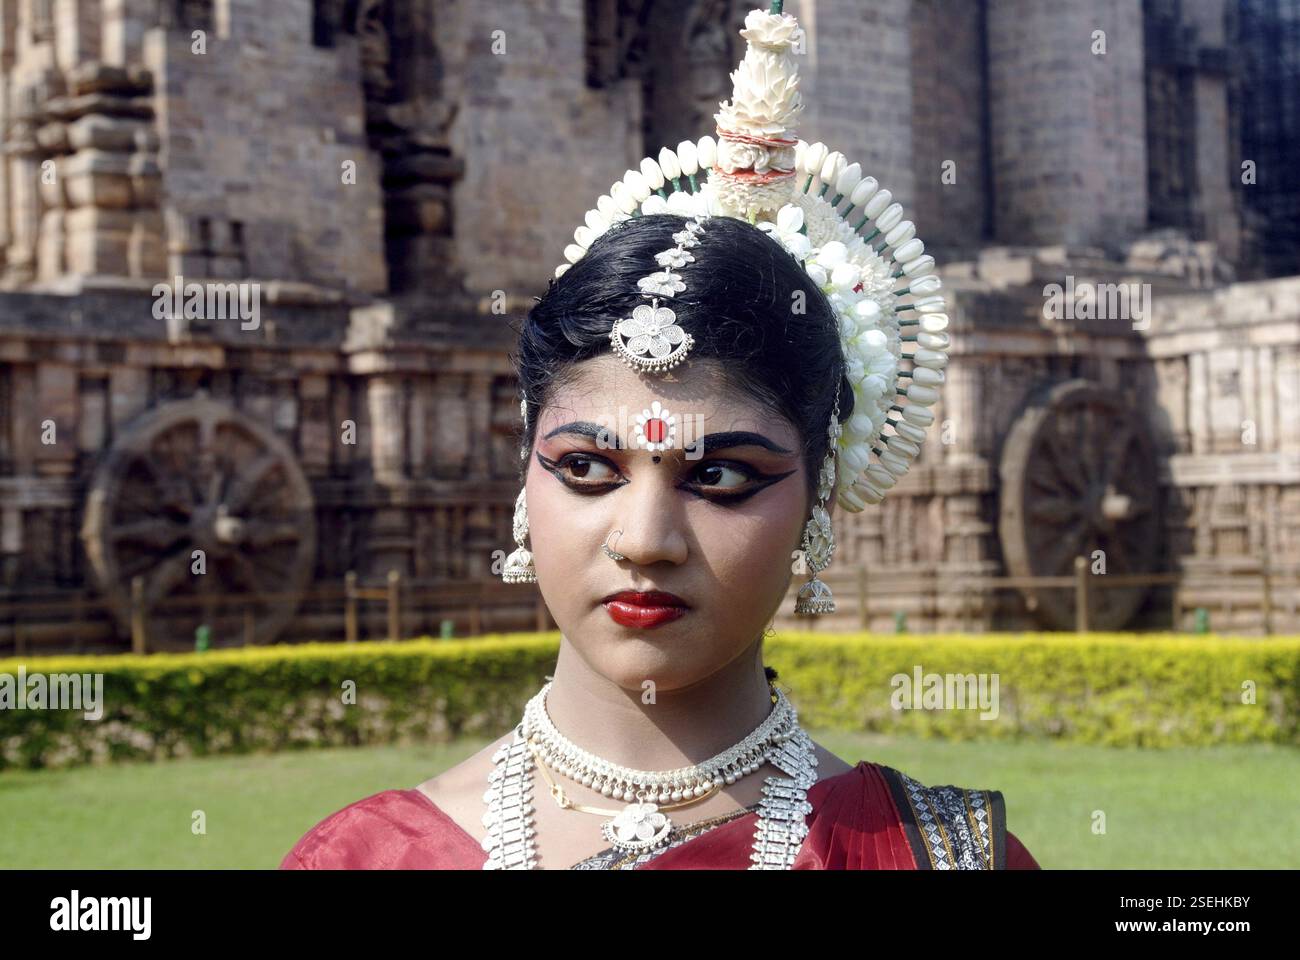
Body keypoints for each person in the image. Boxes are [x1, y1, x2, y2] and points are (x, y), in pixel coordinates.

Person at [281, 2, 1038, 871]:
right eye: (588, 467)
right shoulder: (370, 859)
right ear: (524, 476)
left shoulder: (931, 857)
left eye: (718, 477)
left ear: (820, 496)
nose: (645, 539)